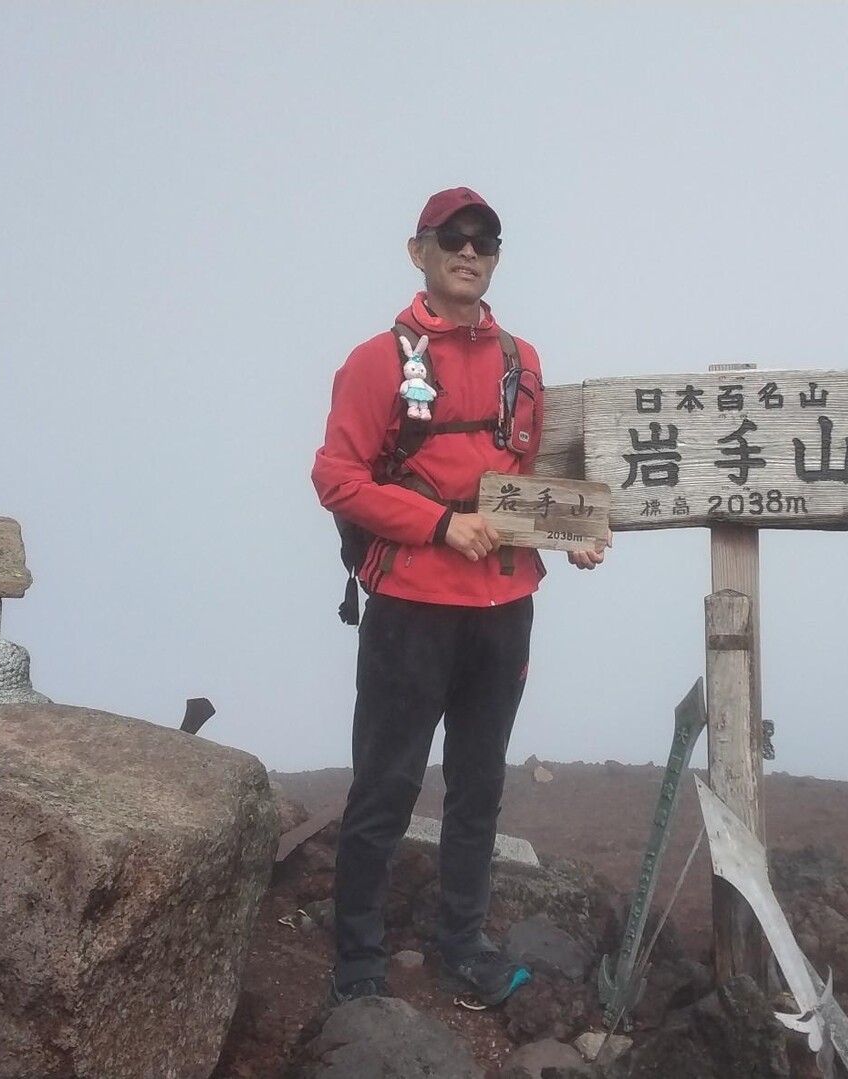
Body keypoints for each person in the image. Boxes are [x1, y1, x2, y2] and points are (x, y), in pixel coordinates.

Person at [311, 187, 606, 1007]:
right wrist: (442, 527)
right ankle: (360, 959)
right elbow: (335, 477)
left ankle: (462, 944)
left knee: (479, 785)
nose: (469, 251)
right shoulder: (376, 361)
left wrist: (570, 530)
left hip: (504, 609)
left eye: (485, 240)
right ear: (420, 251)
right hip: (411, 606)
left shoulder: (523, 360)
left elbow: (522, 480)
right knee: (387, 783)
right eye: (452, 238)